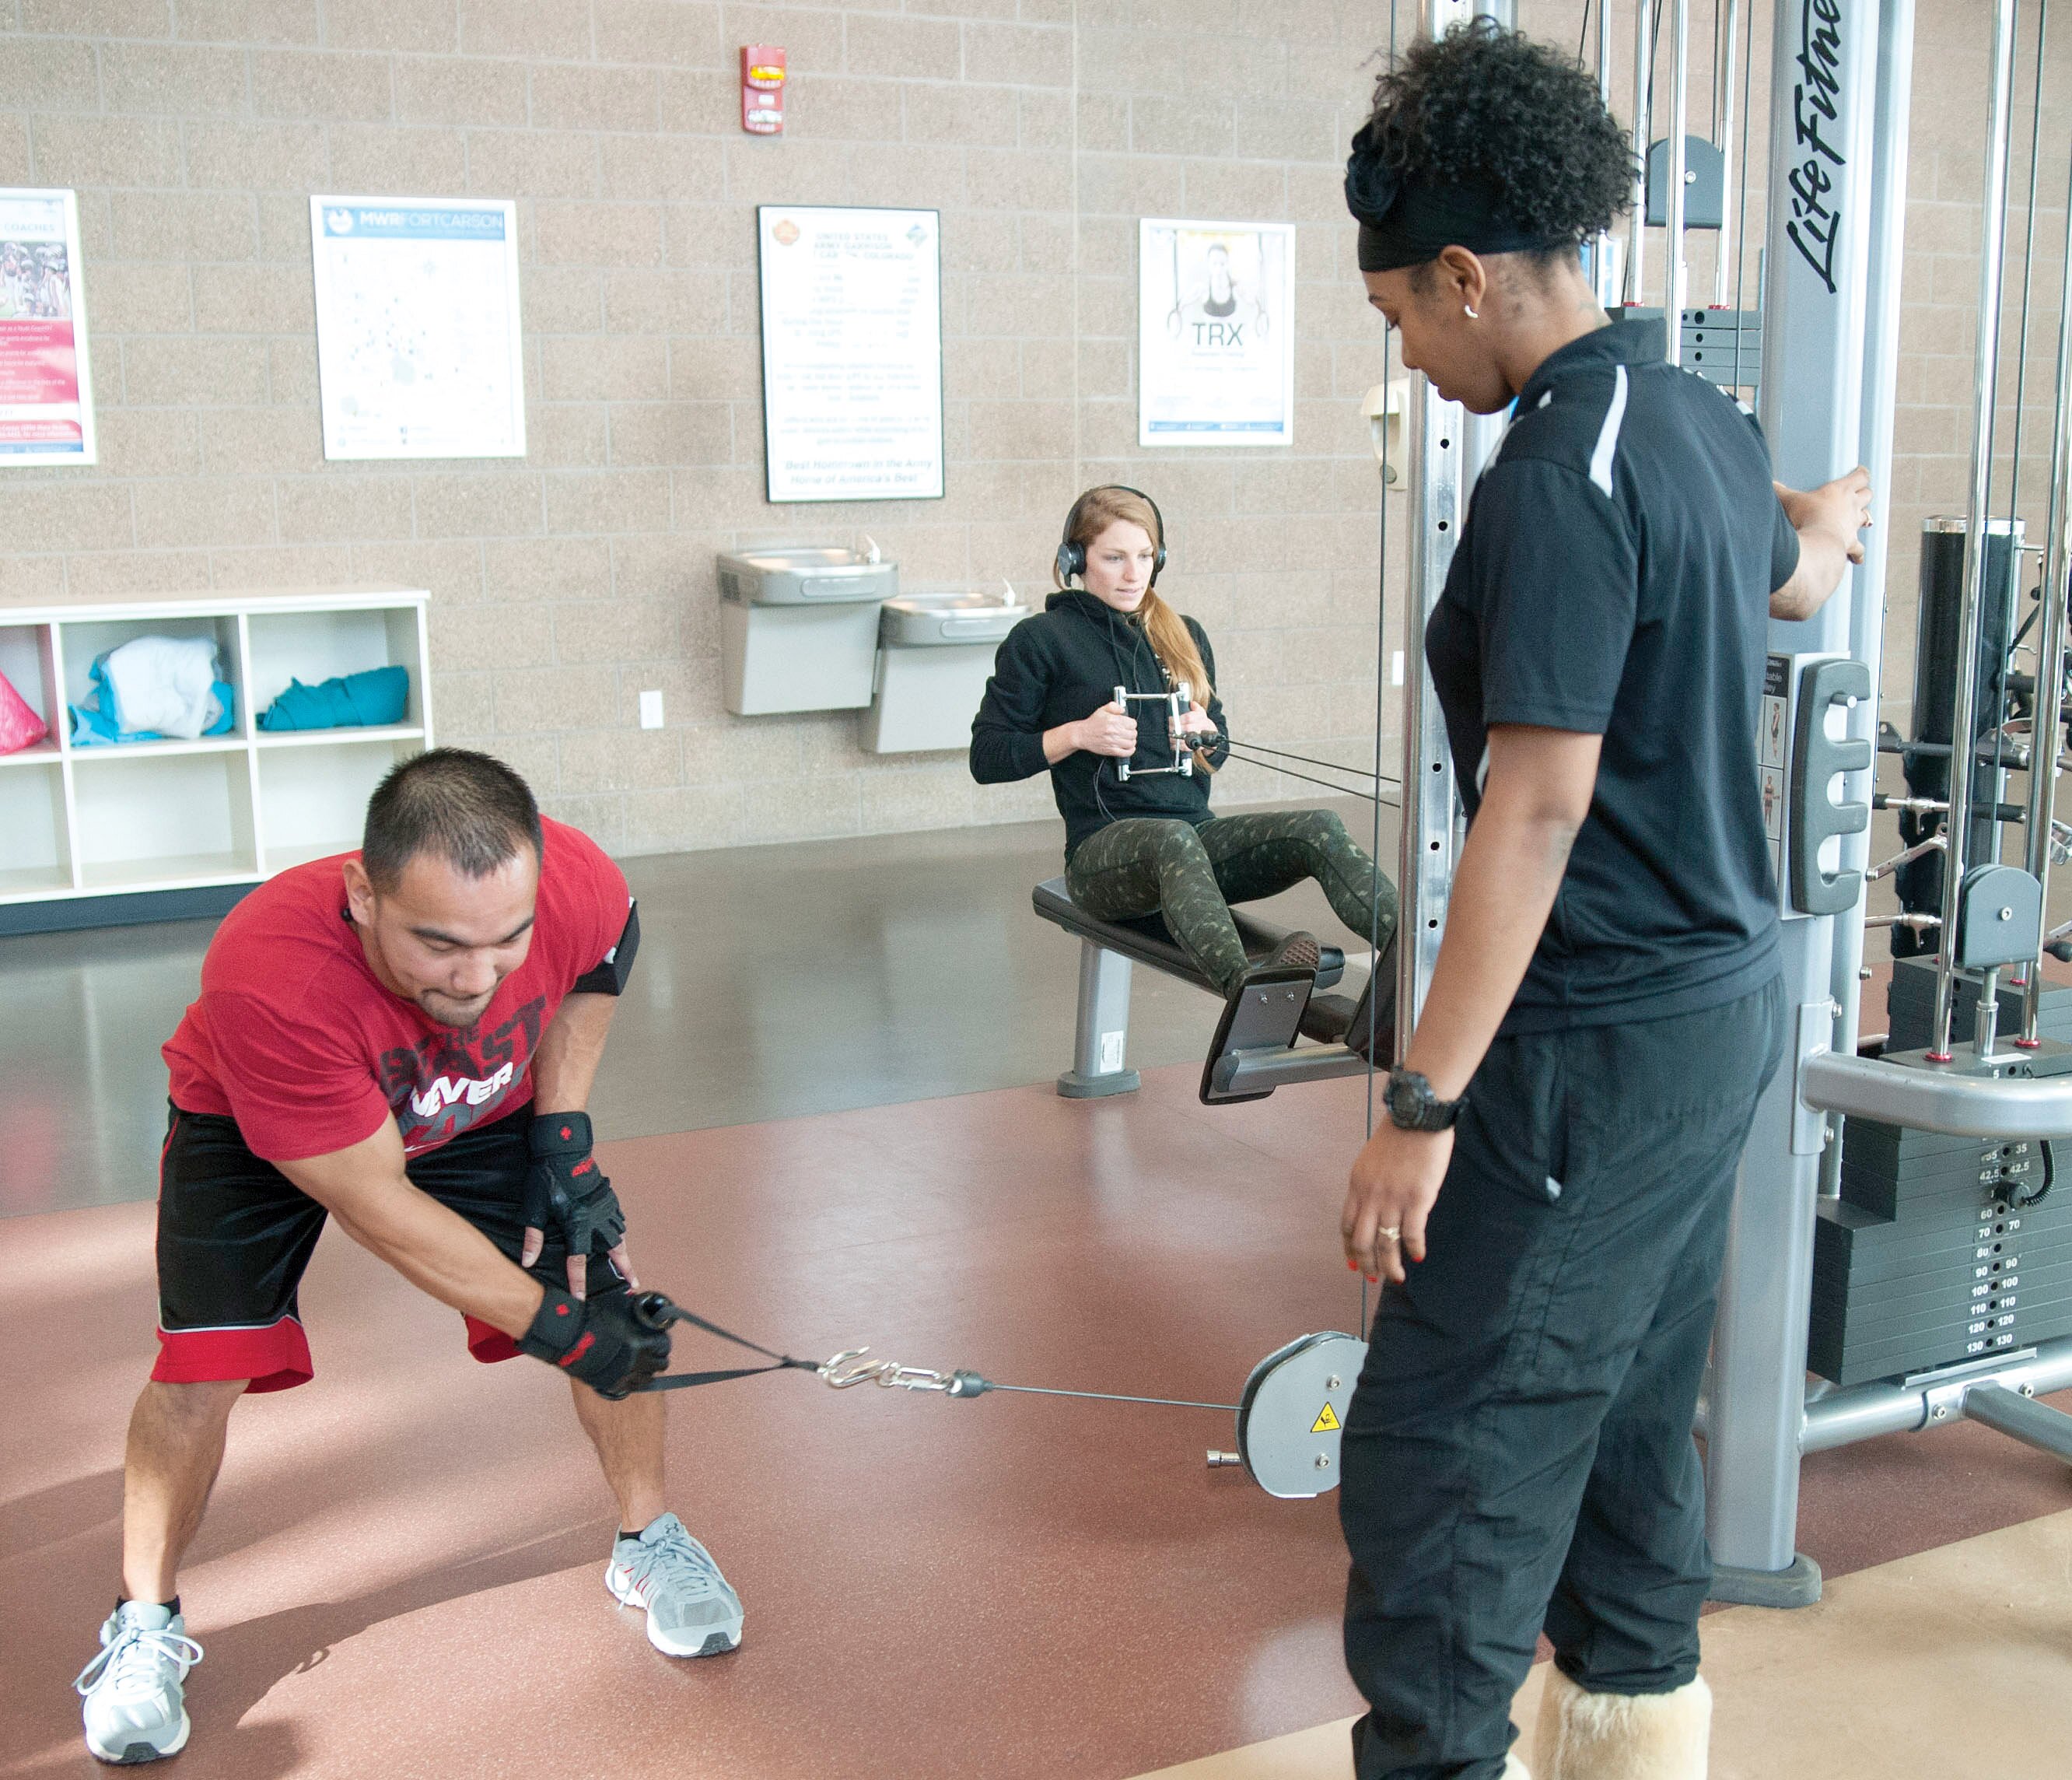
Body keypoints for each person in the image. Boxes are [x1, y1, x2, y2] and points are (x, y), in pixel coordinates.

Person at [1332, 23, 1874, 1780]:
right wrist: (1814, 514)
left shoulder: (1561, 467)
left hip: (1593, 1030)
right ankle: (1633, 1736)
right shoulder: (1699, 422)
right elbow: (1794, 573)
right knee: (1632, 1407)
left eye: (1404, 315)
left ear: (1471, 274)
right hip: (1719, 1007)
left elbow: (1539, 801)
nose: (1408, 358)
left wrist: (1420, 1100)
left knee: (1445, 1450)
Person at [73, 750, 741, 1768]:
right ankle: (143, 1622)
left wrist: (563, 1135)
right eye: (438, 946)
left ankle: (650, 1543)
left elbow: (602, 960)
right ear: (362, 894)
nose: (478, 977)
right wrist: (553, 1331)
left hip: (479, 1105)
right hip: (257, 1120)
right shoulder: (271, 975)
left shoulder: (573, 881)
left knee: (609, 1298)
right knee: (201, 1366)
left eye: (505, 941)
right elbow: (376, 1202)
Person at [970, 482, 1398, 1054]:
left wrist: (1207, 734)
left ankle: (1417, 960)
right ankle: (1249, 990)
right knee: (1173, 840)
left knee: (1317, 825)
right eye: (1114, 557)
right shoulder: (1041, 641)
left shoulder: (1182, 636)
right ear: (1075, 561)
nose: (1132, 573)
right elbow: (987, 757)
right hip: (1103, 856)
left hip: (1193, 840)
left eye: (1145, 557)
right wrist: (1078, 734)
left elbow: (1215, 754)